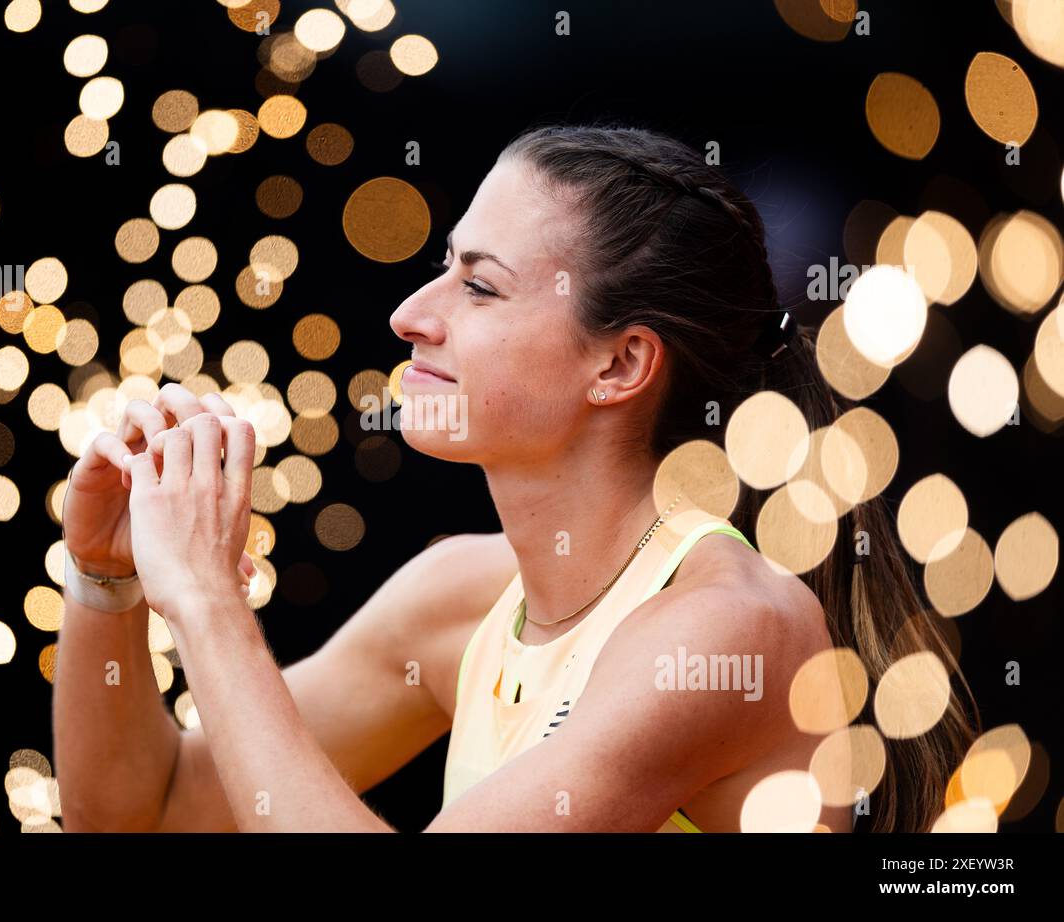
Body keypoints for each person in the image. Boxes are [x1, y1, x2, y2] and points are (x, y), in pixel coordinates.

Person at [52, 120, 979, 832]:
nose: (413, 315)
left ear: (619, 366)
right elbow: (148, 812)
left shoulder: (729, 629)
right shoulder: (464, 594)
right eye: (440, 269)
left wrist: (211, 602)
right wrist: (107, 579)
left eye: (480, 286)